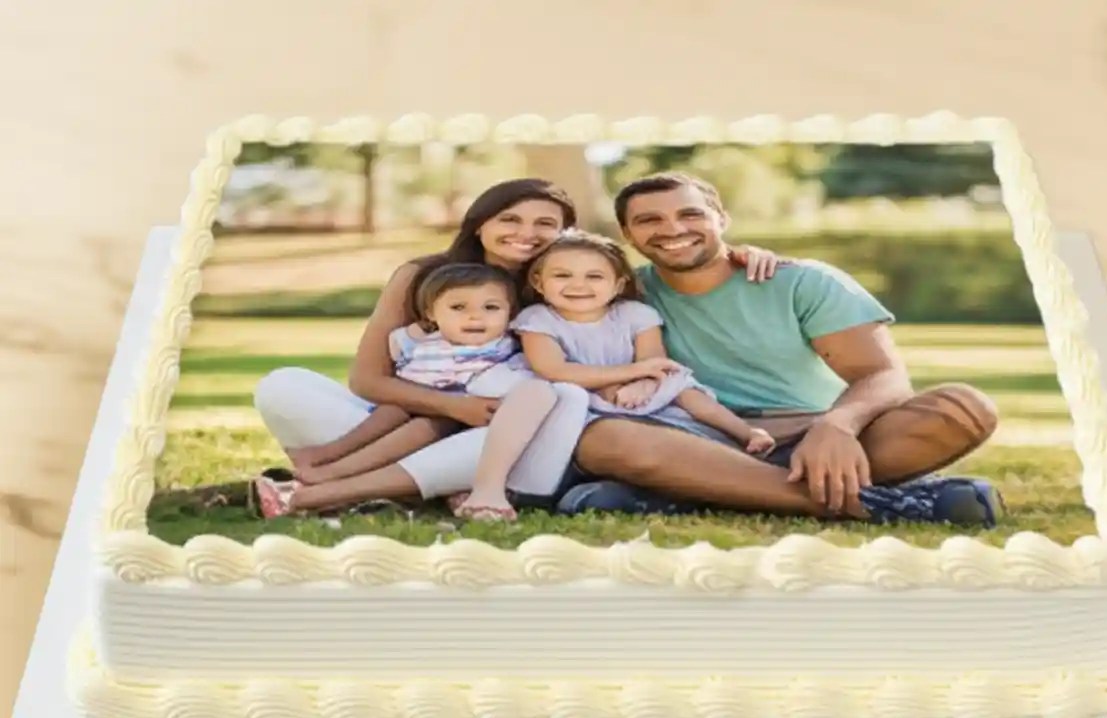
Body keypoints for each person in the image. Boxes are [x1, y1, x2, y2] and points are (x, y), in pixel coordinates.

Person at [251, 178, 783, 515]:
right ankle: (361, 478)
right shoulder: (425, 277)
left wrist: (736, 252)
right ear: (481, 224)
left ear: (564, 233)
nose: (525, 233)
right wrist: (453, 407)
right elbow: (368, 381)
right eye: (510, 219)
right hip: (414, 414)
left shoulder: (561, 286)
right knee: (284, 386)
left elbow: (644, 277)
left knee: (552, 400)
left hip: (514, 436)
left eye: (545, 224)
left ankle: (356, 489)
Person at [557, 172, 1004, 526]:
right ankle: (877, 504)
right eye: (649, 220)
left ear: (721, 220)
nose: (672, 229)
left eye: (690, 214)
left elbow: (883, 375)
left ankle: (690, 495)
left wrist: (838, 425)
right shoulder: (617, 292)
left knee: (964, 408)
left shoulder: (802, 281)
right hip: (696, 441)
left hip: (816, 437)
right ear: (628, 235)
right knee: (603, 440)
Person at [255, 263, 584, 522]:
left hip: (464, 435)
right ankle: (334, 462)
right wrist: (444, 401)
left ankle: (330, 480)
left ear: (510, 315)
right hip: (412, 413)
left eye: (491, 308)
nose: (475, 316)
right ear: (431, 314)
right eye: (458, 307)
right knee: (396, 411)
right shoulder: (421, 341)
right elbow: (389, 373)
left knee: (431, 425)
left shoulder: (511, 347)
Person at [513, 230, 777, 455]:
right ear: (538, 282)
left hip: (641, 385)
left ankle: (746, 432)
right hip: (584, 397)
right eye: (562, 276)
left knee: (683, 388)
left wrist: (644, 382)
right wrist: (629, 376)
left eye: (594, 277)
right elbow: (553, 370)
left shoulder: (635, 314)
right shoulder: (537, 320)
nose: (578, 285)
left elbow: (652, 361)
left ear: (618, 285)